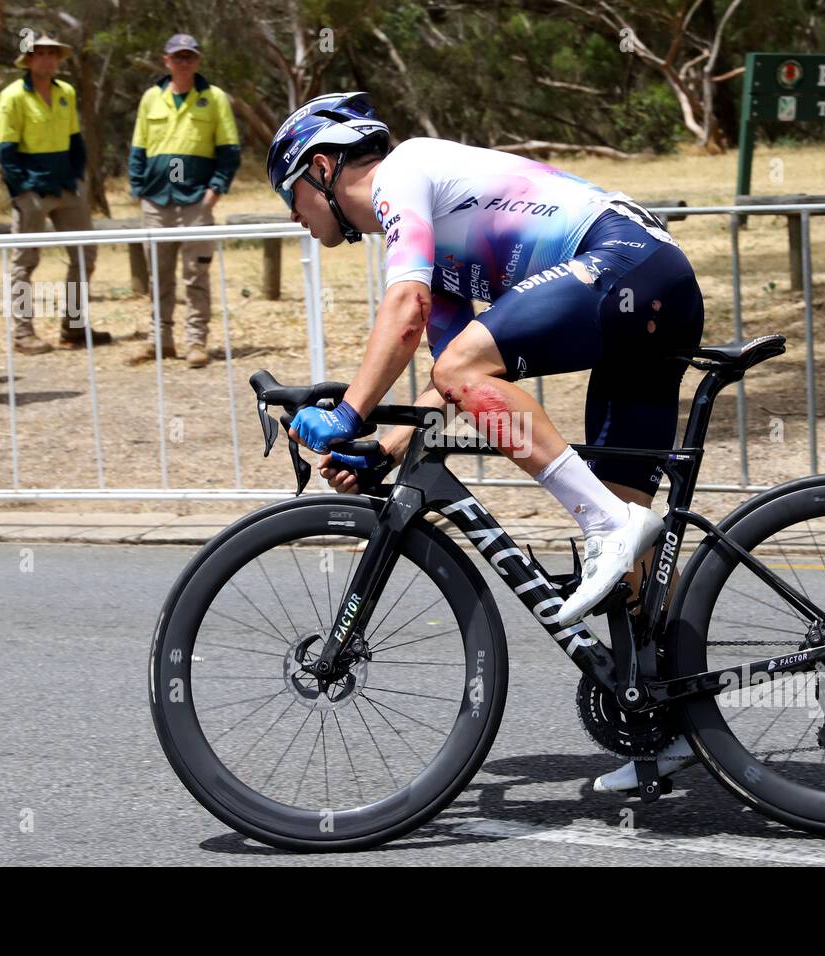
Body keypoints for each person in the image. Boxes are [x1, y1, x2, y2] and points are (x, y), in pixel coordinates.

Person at [268, 94, 709, 791]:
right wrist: (382, 449)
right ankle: (684, 725)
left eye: (289, 193)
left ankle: (606, 523)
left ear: (321, 168)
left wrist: (349, 412)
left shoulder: (401, 174)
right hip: (648, 294)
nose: (292, 214)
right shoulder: (435, 250)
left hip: (627, 266)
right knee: (636, 560)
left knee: (613, 523)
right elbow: (457, 385)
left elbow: (405, 314)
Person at [0, 29, 112, 355]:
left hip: (67, 186)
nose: (47, 59)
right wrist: (20, 191)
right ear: (29, 59)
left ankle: (73, 326)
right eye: (40, 53)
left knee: (84, 254)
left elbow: (76, 141)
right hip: (31, 189)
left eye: (52, 54)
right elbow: (5, 149)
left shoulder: (66, 93)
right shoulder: (13, 96)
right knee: (24, 261)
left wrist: (77, 176)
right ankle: (22, 333)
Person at [127, 33, 240, 369]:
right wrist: (138, 189)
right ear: (166, 61)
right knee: (158, 277)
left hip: (196, 202)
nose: (184, 62)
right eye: (178, 57)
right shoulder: (151, 97)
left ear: (198, 60)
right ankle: (159, 340)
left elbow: (229, 151)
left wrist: (214, 191)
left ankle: (196, 342)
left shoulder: (214, 98)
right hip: (156, 201)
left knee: (196, 275)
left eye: (189, 56)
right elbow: (138, 149)